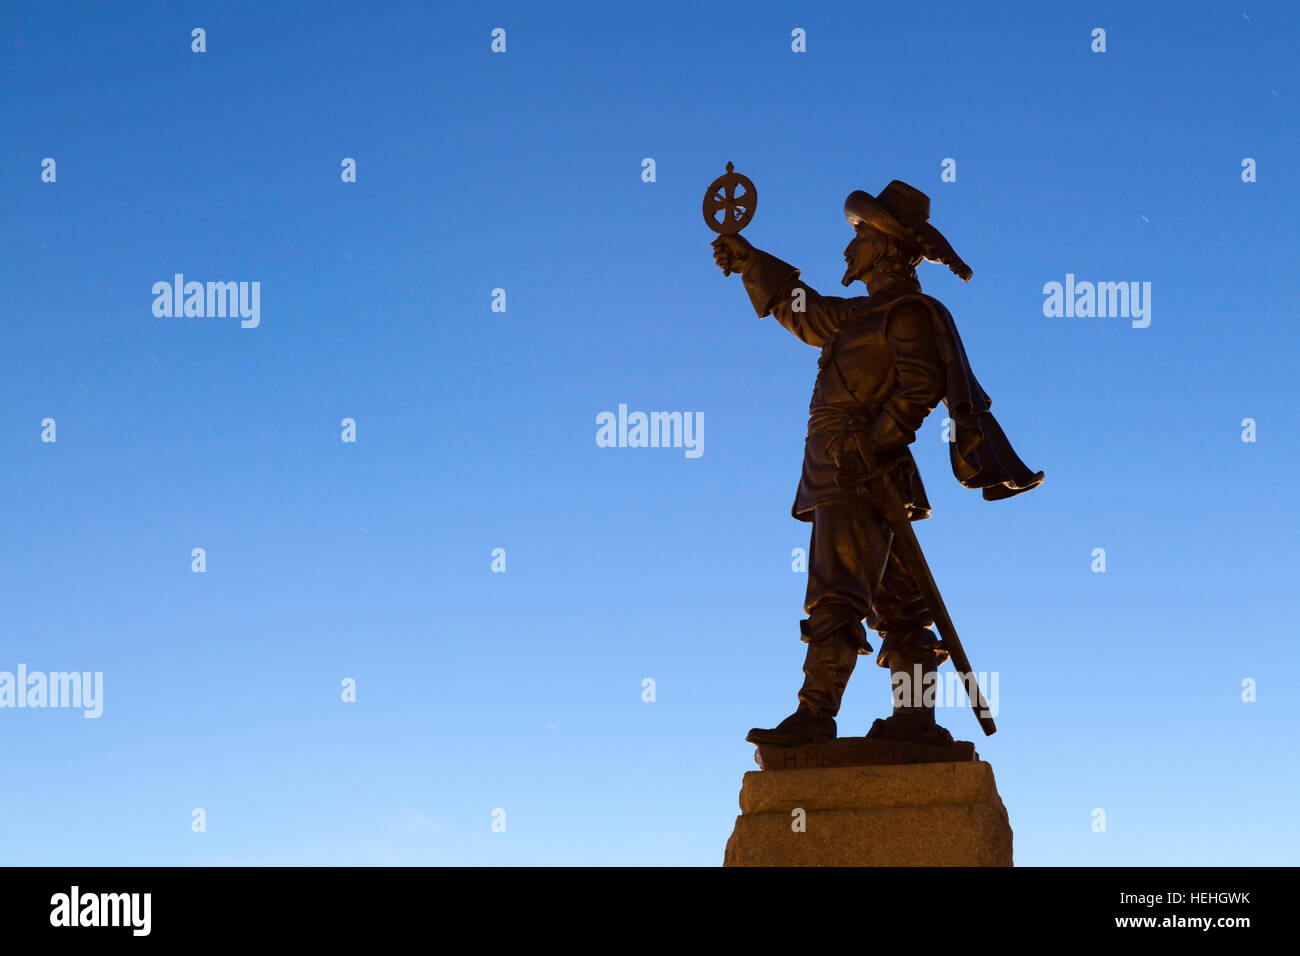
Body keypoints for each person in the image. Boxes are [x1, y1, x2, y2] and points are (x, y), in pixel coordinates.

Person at [711, 180, 1043, 746]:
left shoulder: (910, 314)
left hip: (857, 470)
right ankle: (914, 721)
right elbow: (806, 313)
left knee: (838, 592)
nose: (848, 248)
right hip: (851, 468)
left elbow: (918, 390)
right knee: (901, 606)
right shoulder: (859, 315)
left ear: (886, 247)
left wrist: (869, 444)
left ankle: (815, 715)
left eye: (859, 236)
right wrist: (750, 261)